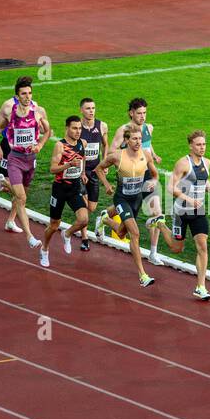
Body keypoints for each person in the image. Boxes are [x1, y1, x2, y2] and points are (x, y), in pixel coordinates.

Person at [0, 76, 49, 248]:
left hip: (30, 160)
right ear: (17, 95)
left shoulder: (38, 111)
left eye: (30, 93)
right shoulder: (11, 111)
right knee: (21, 197)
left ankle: (9, 207)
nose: (27, 96)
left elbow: (48, 131)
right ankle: (30, 236)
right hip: (15, 159)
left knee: (22, 197)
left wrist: (40, 144)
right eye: (24, 94)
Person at [93, 125, 158, 287]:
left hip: (136, 199)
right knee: (134, 234)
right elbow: (99, 169)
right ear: (127, 140)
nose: (138, 142)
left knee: (122, 233)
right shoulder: (117, 157)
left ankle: (104, 220)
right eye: (134, 139)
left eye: (140, 139)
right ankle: (142, 275)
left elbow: (155, 175)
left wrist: (152, 182)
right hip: (122, 199)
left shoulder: (146, 155)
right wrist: (107, 185)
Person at [152, 130, 210, 300]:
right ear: (191, 146)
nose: (202, 148)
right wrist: (189, 199)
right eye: (199, 145)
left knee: (202, 246)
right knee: (176, 248)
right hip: (181, 212)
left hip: (198, 212)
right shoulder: (182, 163)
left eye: (204, 144)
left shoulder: (207, 162)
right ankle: (160, 224)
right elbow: (171, 187)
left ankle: (201, 286)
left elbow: (202, 180)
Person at [111, 98, 164, 264]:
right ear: (131, 113)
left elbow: (148, 144)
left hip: (147, 175)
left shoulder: (148, 128)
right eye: (139, 113)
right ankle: (105, 217)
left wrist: (153, 155)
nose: (142, 116)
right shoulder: (123, 130)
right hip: (131, 176)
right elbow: (112, 150)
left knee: (157, 214)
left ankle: (153, 253)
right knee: (124, 225)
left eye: (145, 113)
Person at [40, 116, 92, 267]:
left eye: (80, 128)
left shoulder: (83, 143)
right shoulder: (60, 146)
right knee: (54, 225)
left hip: (75, 188)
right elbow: (52, 169)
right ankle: (45, 249)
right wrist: (68, 164)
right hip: (60, 189)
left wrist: (82, 172)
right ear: (67, 128)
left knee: (84, 219)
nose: (78, 131)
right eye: (74, 128)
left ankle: (67, 234)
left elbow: (83, 158)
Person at [77, 97, 109, 251]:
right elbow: (75, 149)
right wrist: (81, 170)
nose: (91, 111)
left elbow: (105, 144)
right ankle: (85, 238)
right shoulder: (77, 128)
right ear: (81, 110)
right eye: (88, 108)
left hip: (95, 171)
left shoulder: (102, 126)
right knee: (83, 206)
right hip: (81, 172)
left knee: (92, 207)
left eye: (93, 108)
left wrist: (105, 162)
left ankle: (89, 220)